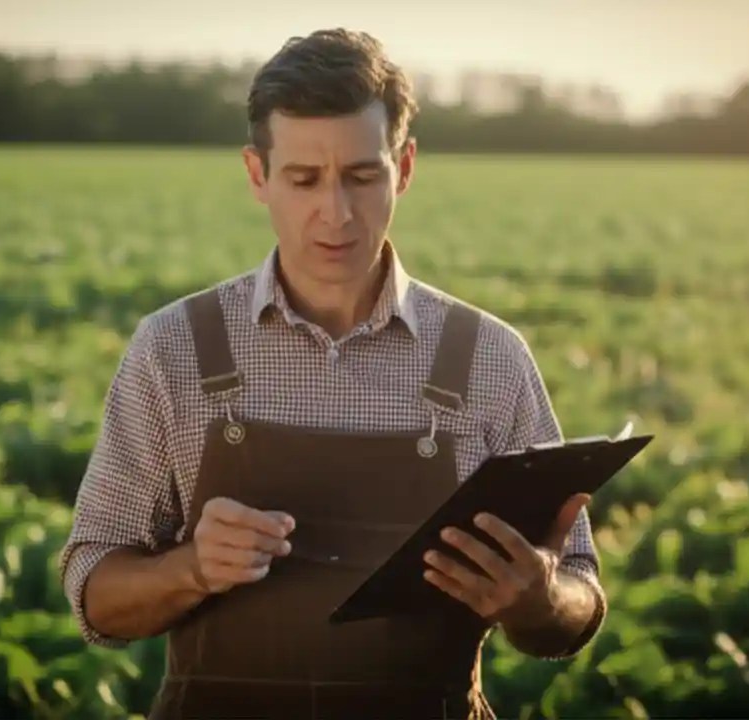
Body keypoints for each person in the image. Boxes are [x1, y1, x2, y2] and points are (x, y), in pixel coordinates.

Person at [60, 27, 607, 720]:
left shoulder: (490, 359)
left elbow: (578, 596)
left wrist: (539, 600)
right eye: (303, 179)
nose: (336, 214)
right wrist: (191, 568)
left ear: (404, 168)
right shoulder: (174, 350)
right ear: (258, 175)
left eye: (361, 176)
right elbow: (94, 592)